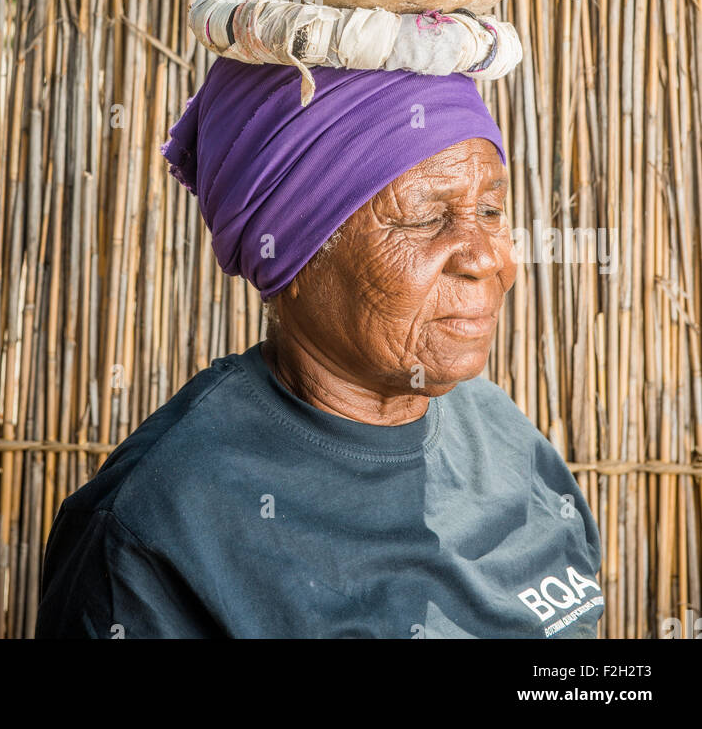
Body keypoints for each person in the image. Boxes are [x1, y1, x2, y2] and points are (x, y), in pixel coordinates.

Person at [36, 60, 604, 639]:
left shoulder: (503, 434)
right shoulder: (160, 528)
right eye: (426, 218)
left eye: (490, 211)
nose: (487, 258)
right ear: (291, 255)